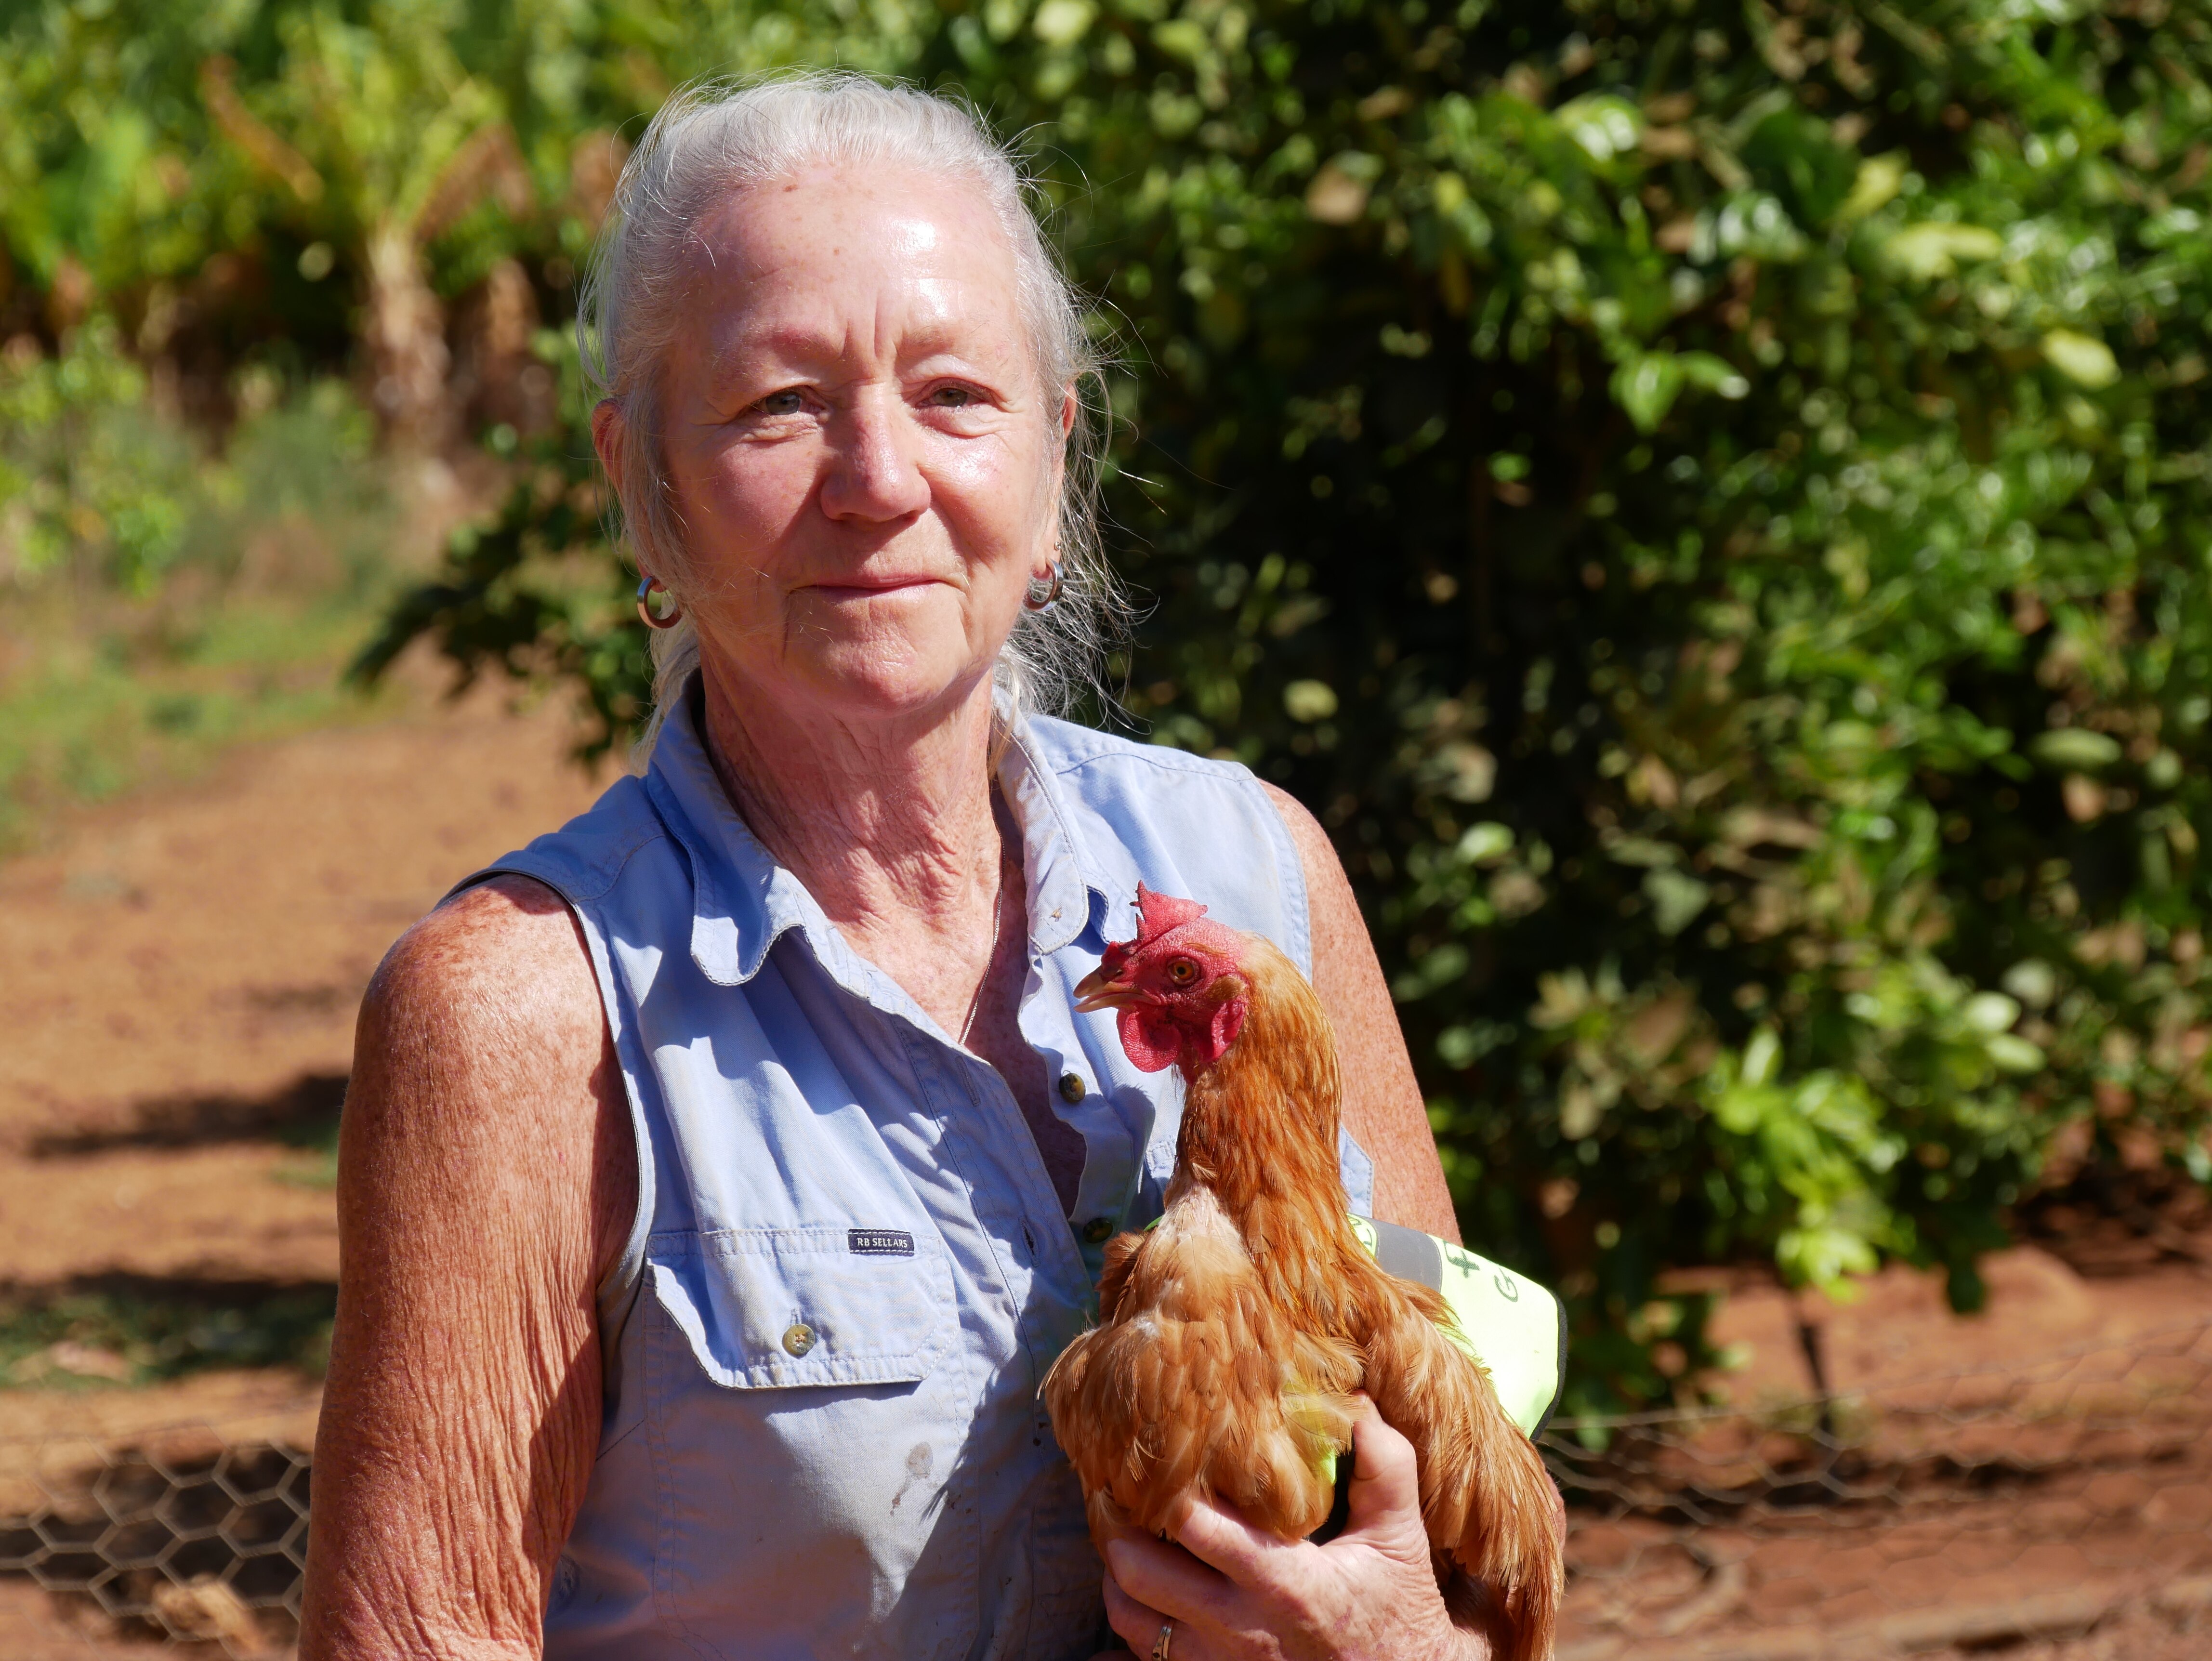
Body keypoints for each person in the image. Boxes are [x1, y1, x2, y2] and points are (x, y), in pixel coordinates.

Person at [301, 73, 1538, 1661]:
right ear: (641, 486)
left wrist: (1405, 1644)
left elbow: (1473, 1520)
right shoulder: (523, 1016)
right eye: (778, 406)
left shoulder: (1259, 867)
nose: (879, 477)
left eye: (954, 394)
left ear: (1053, 465)